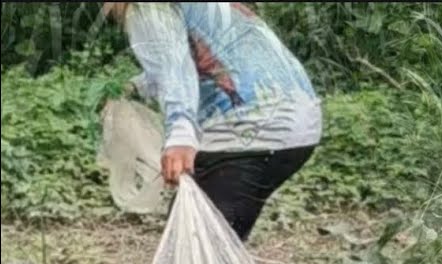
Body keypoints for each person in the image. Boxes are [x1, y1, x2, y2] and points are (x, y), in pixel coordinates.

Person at [103, 2, 322, 242]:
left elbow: (175, 68)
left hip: (249, 128)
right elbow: (190, 60)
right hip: (299, 120)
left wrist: (181, 135)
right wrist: (134, 87)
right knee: (198, 233)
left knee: (194, 242)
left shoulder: (147, 6)